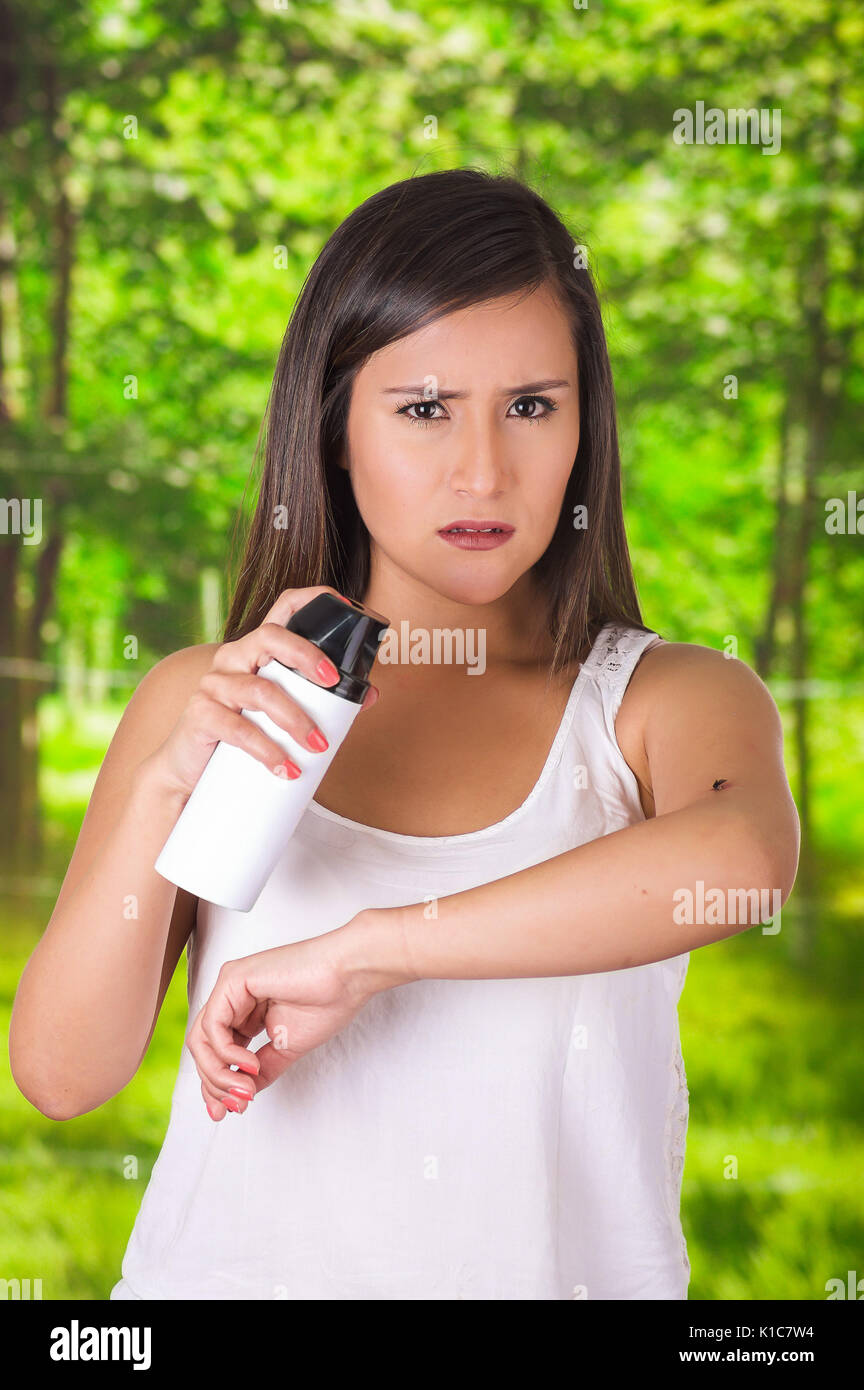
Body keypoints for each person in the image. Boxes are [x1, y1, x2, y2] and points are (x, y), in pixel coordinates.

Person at [9, 168, 800, 1301]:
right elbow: (62, 1075)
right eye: (424, 409)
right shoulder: (210, 702)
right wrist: (158, 792)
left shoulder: (664, 702)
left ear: (585, 425)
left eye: (532, 406)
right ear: (335, 428)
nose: (483, 471)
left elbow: (743, 863)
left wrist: (371, 950)